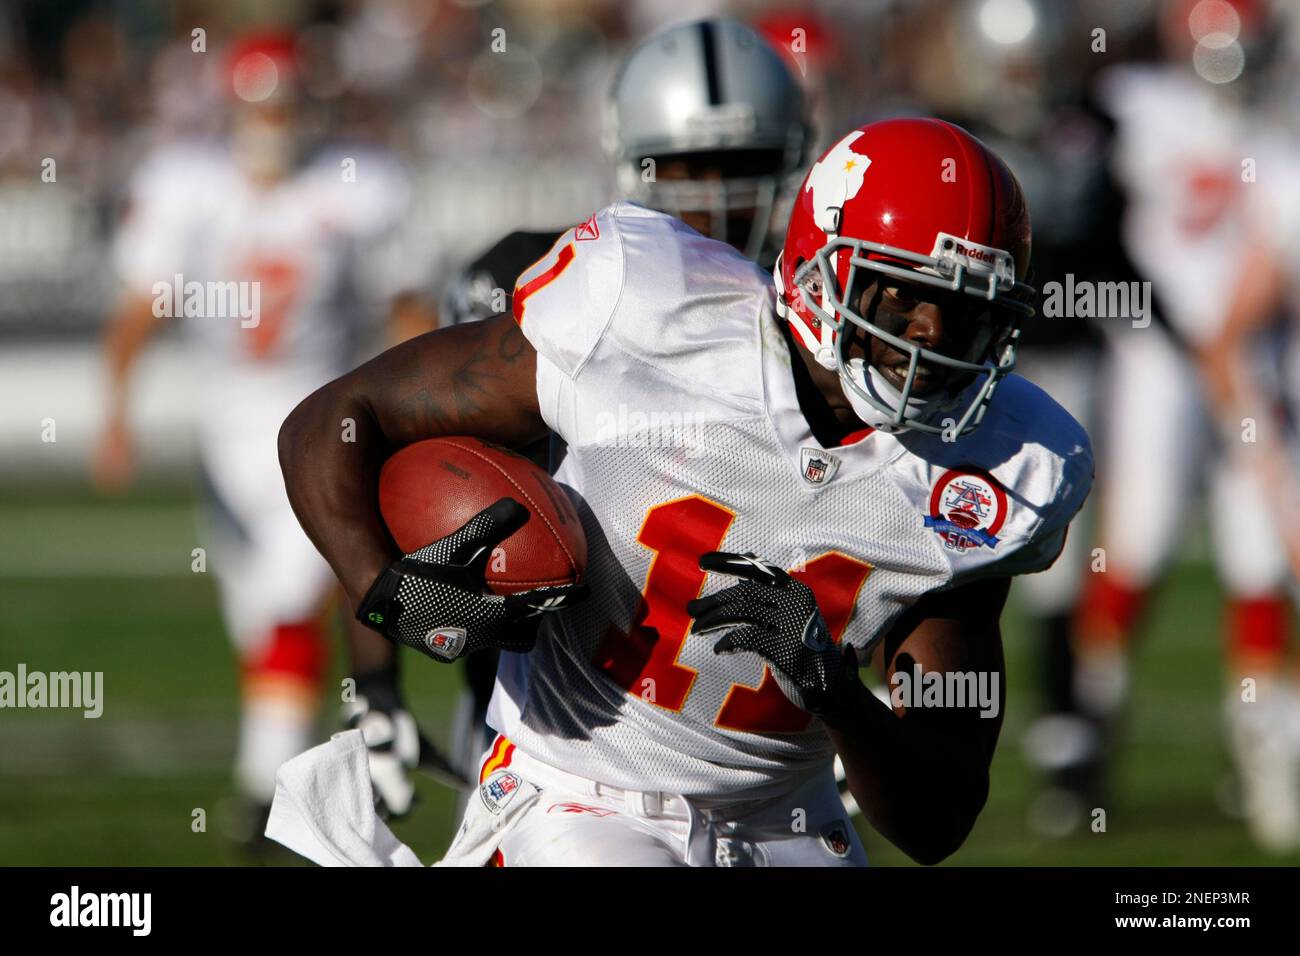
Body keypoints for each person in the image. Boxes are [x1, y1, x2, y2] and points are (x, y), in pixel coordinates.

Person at [272, 116, 1092, 866]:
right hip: (577, 794)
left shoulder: (993, 471)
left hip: (789, 820)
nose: (933, 335)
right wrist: (386, 591)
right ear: (820, 266)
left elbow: (936, 817)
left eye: (968, 308)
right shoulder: (650, 312)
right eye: (908, 291)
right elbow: (338, 417)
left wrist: (831, 686)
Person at [92, 32, 450, 849]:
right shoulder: (189, 185)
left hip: (322, 416)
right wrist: (116, 412)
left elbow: (408, 310)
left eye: (287, 104)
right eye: (263, 106)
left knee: (295, 599)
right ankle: (285, 785)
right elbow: (140, 309)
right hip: (224, 427)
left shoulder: (357, 183)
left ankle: (265, 796)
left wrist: (423, 410)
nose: (275, 123)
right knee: (259, 618)